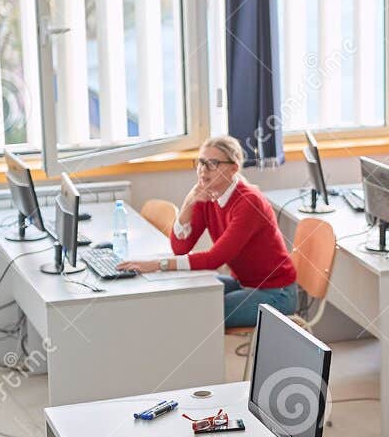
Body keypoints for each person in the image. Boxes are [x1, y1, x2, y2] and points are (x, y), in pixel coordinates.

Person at [117, 135, 299, 326]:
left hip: (276, 292)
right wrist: (189, 203)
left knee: (202, 313)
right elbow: (180, 248)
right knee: (186, 300)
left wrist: (155, 264)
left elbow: (214, 259)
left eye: (212, 163)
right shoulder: (207, 196)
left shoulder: (248, 202)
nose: (203, 170)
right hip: (243, 283)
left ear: (233, 168)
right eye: (201, 162)